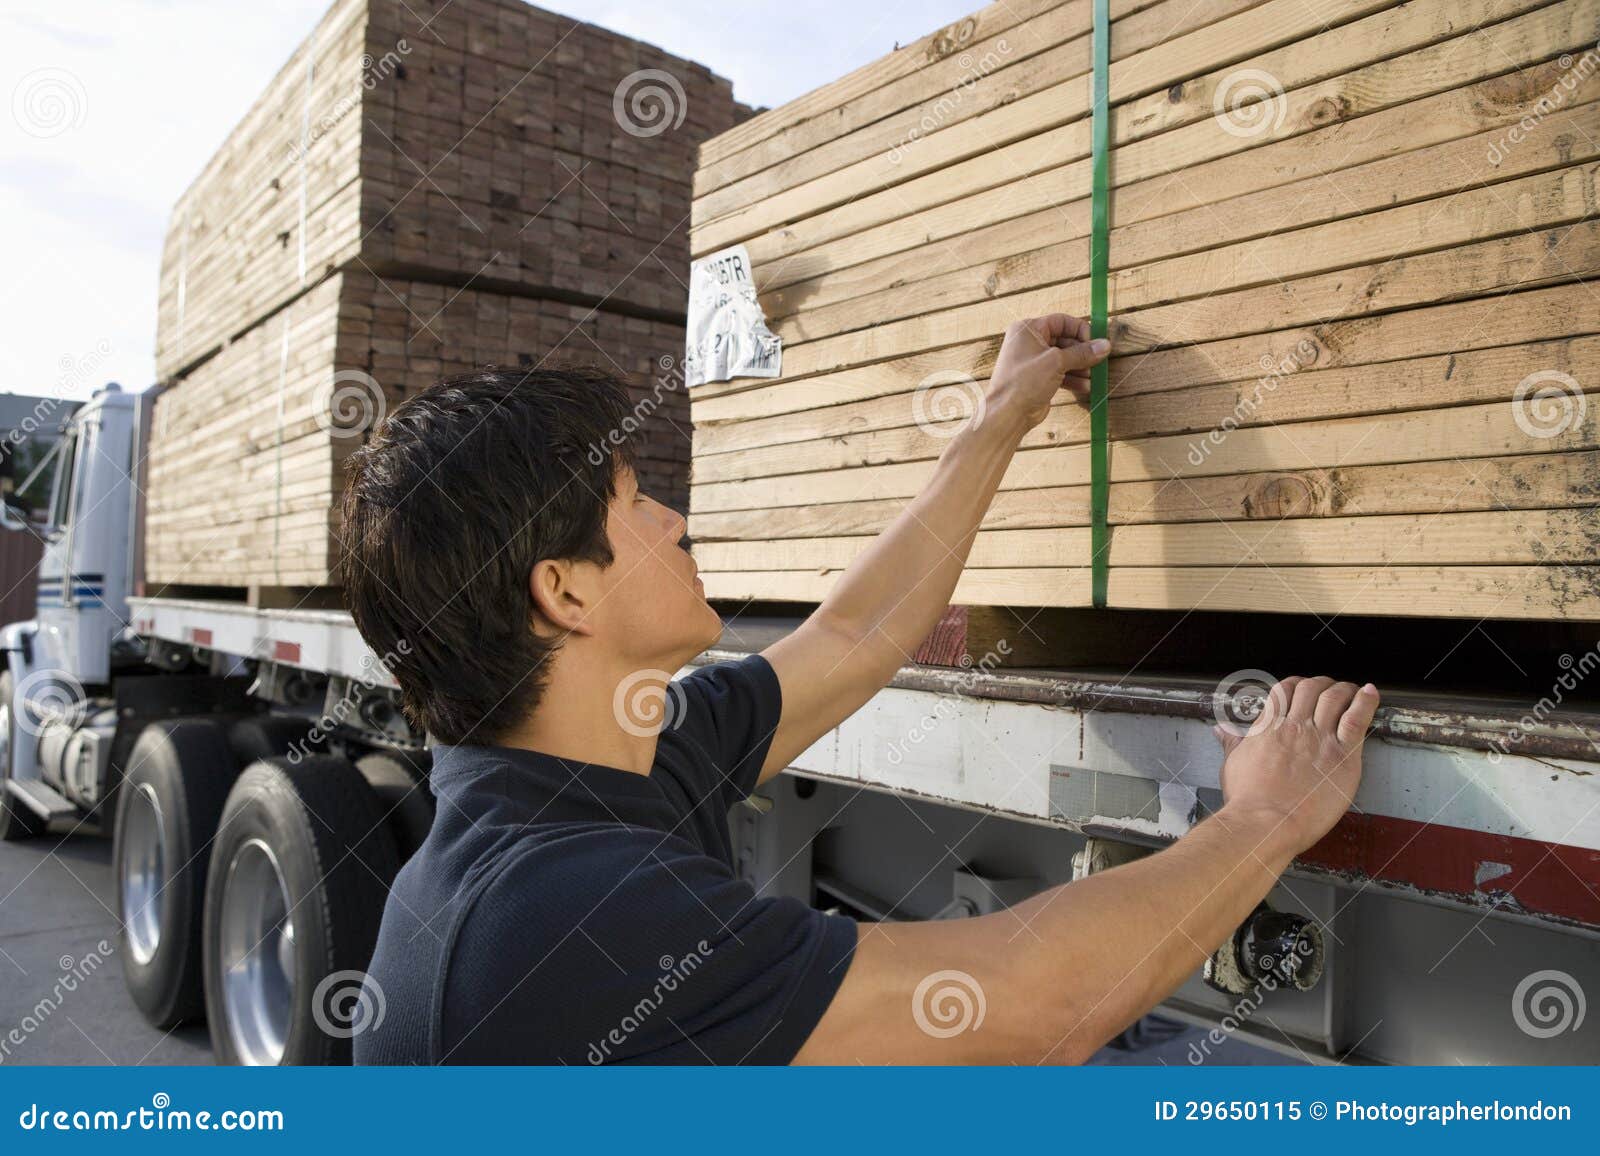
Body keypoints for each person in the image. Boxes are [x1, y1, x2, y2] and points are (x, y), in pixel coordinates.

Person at [342, 314, 1379, 1065]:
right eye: (635, 502)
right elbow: (1029, 1005)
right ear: (562, 590)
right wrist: (1265, 819)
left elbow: (854, 633)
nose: (674, 521)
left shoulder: (607, 761)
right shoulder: (557, 912)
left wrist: (996, 424)